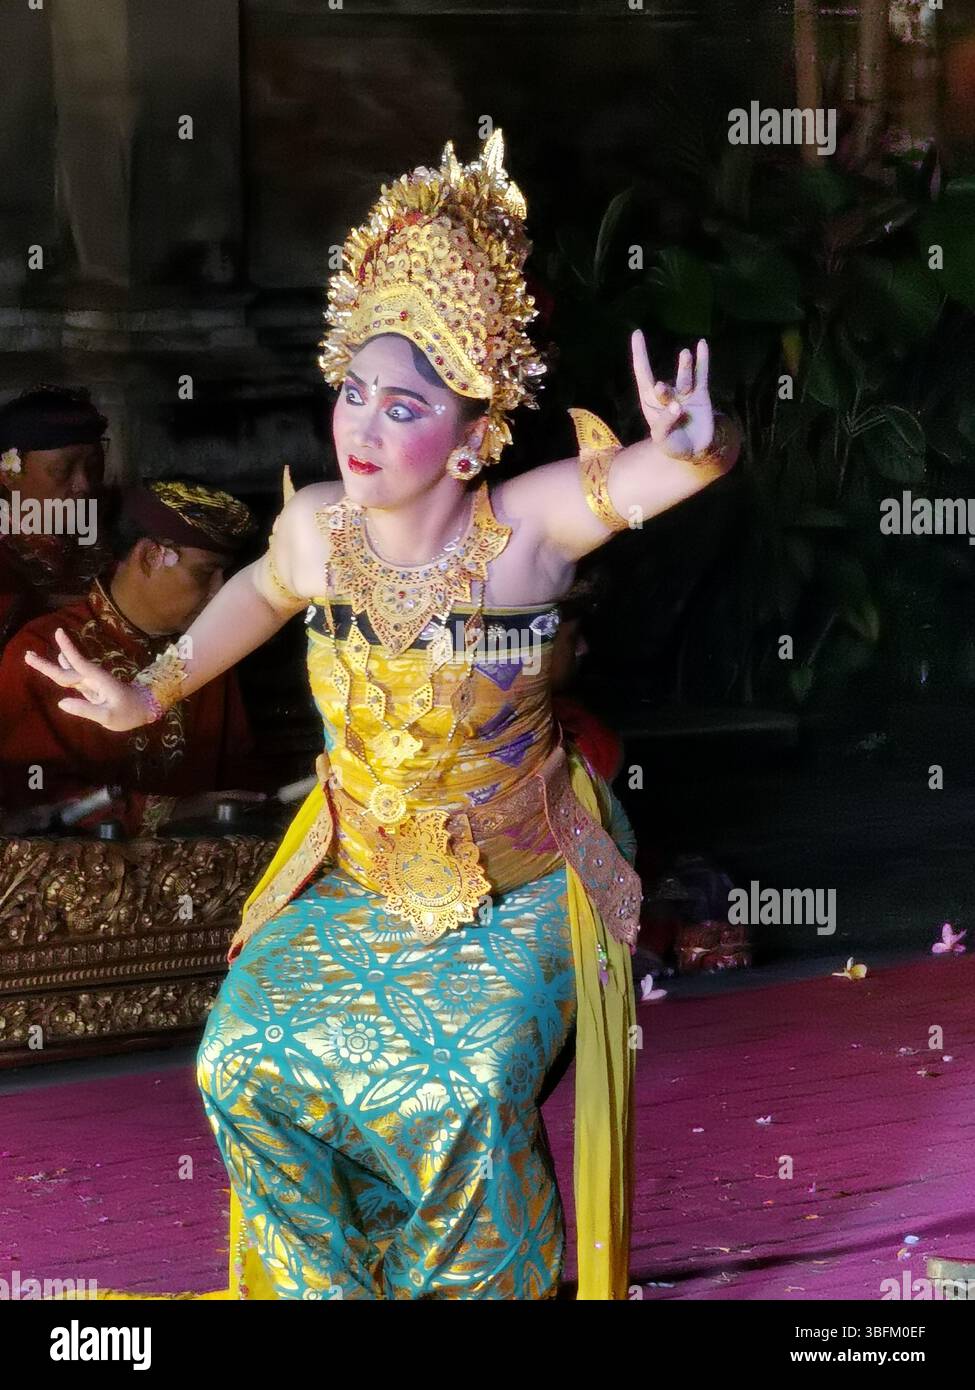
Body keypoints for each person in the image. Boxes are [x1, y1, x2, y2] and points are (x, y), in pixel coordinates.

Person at [31, 130, 740, 1300]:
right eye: (352, 390)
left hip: (519, 884)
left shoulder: (525, 533)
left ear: (473, 438)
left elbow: (654, 480)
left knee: (460, 1089)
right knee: (239, 1061)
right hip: (357, 873)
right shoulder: (317, 526)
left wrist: (699, 447)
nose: (359, 426)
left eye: (401, 406)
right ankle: (332, 1289)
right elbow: (262, 590)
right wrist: (149, 686)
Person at [0, 479, 265, 837]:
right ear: (149, 556)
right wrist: (166, 812)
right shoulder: (43, 649)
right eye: (206, 573)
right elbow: (29, 787)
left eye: (225, 575)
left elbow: (239, 769)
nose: (220, 591)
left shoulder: (206, 649)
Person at [0, 384, 114, 652]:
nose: (84, 485)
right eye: (62, 470)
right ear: (6, 472)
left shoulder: (110, 536)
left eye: (94, 467)